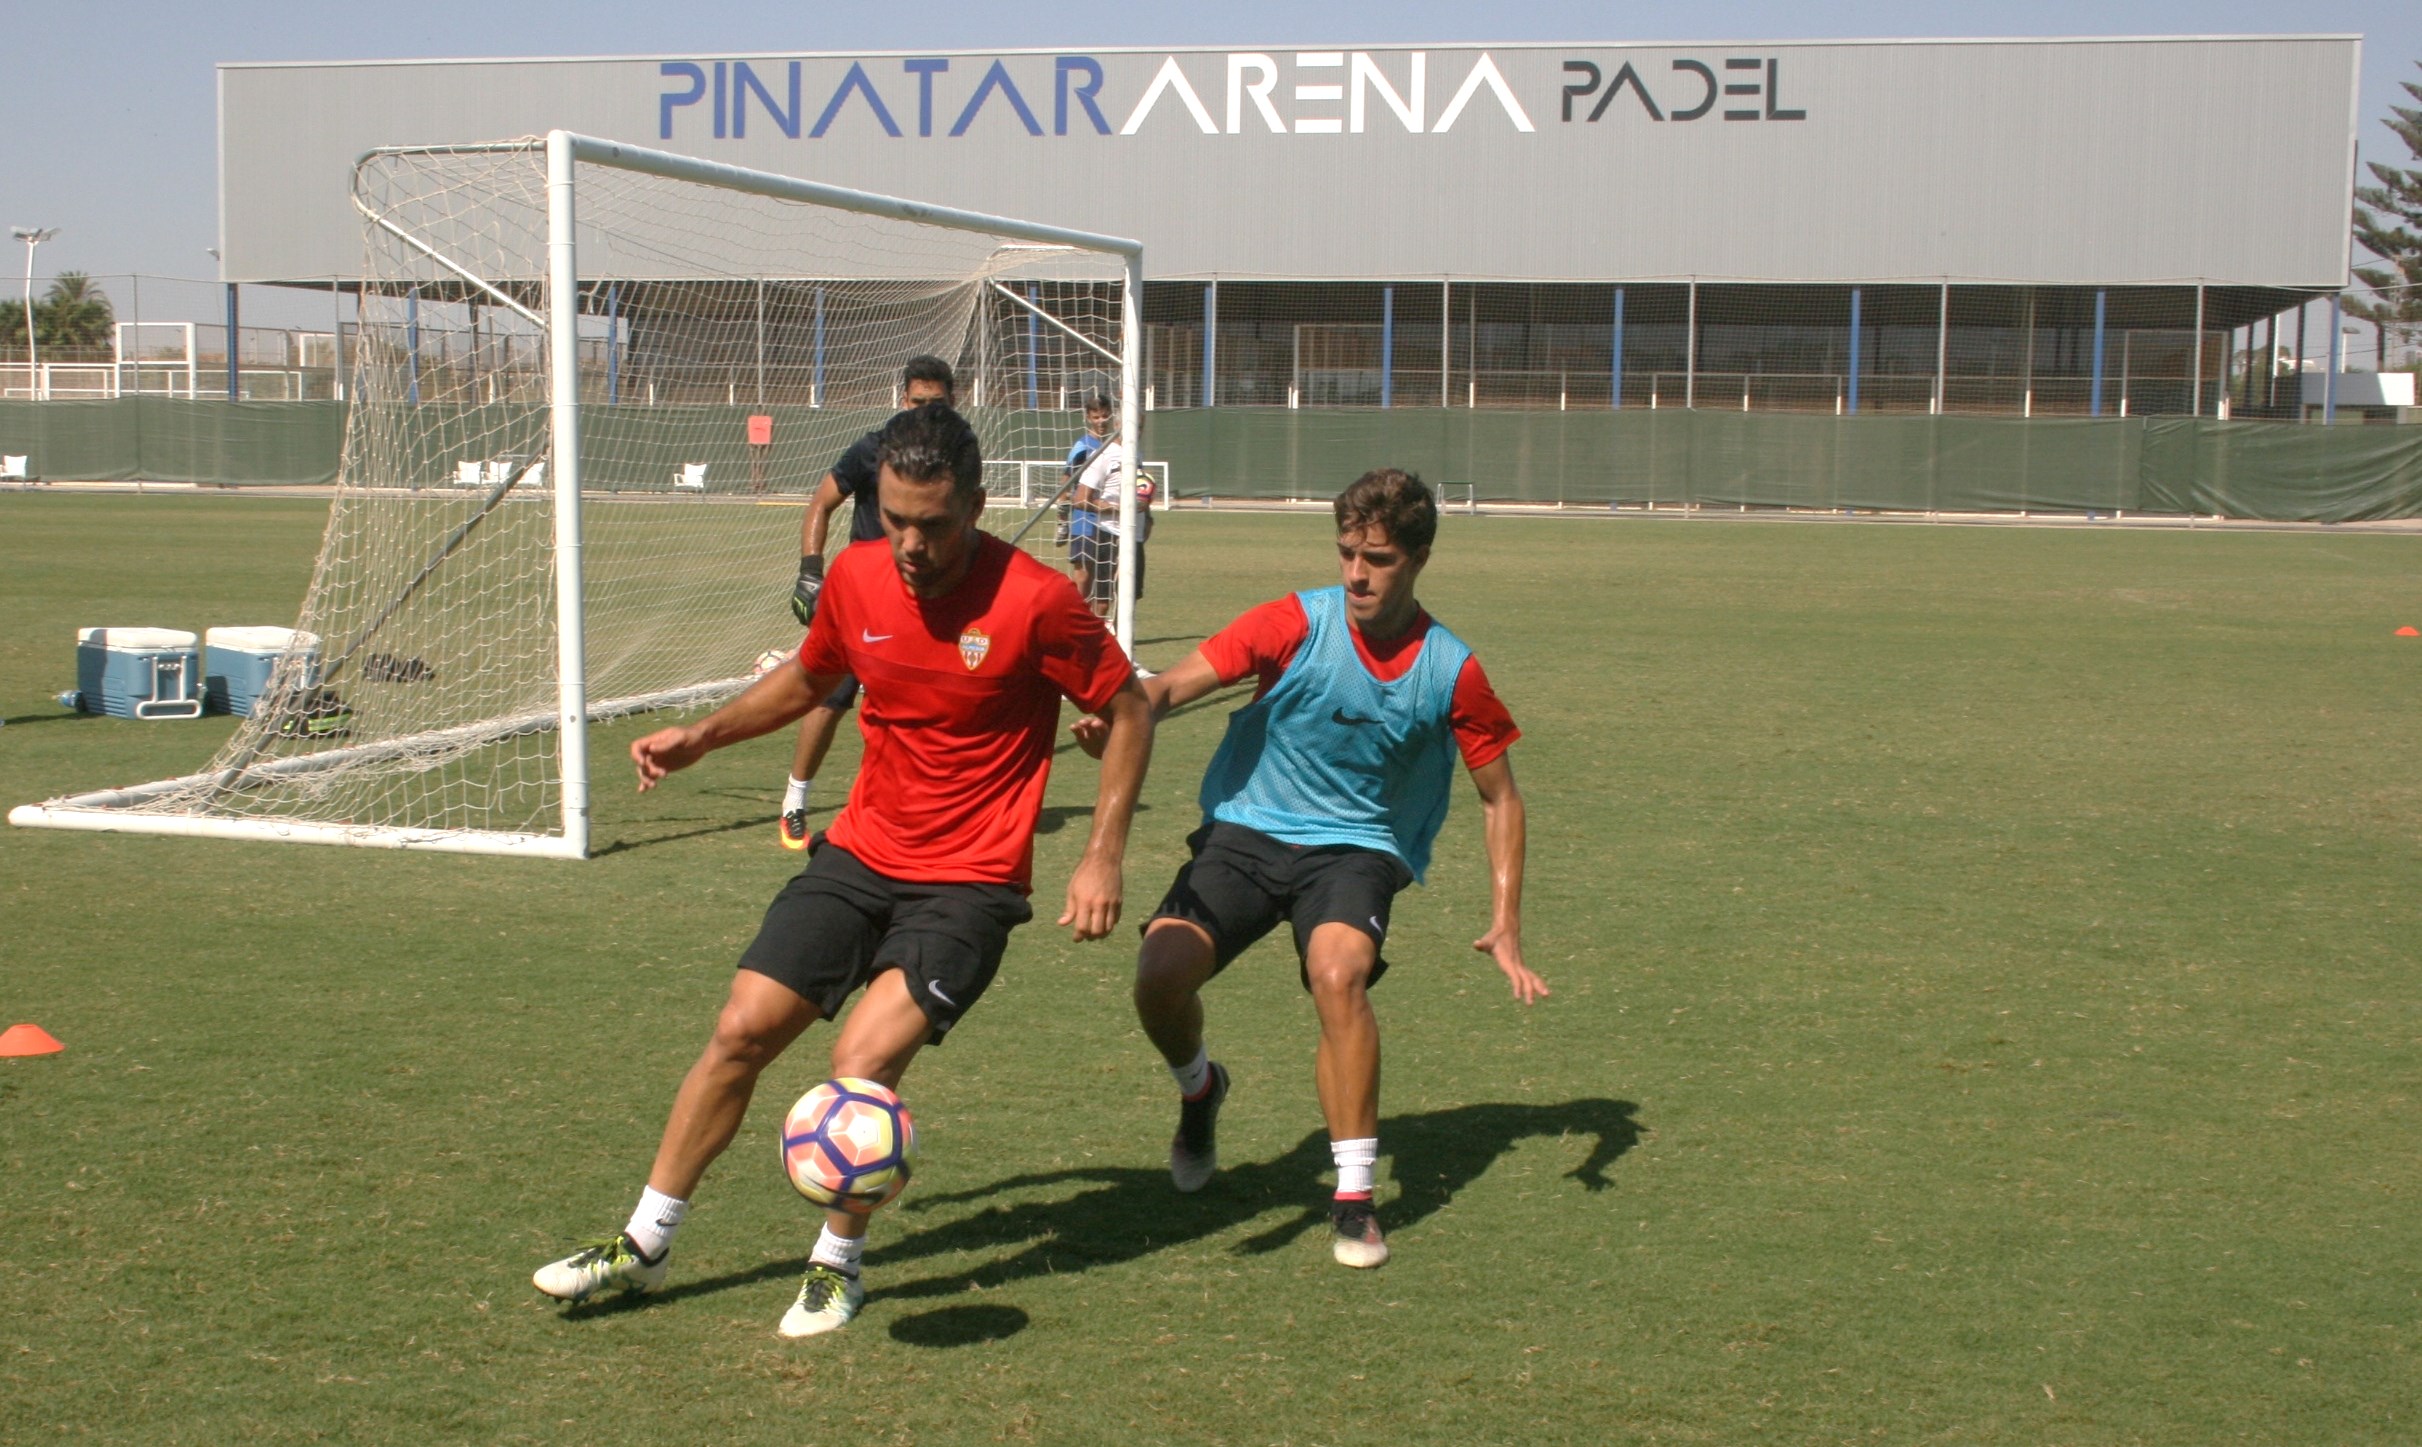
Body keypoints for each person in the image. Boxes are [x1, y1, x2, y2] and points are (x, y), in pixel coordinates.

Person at [537, 402, 1154, 1337]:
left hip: (971, 882)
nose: (910, 543)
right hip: (861, 854)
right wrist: (703, 735)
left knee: (858, 1065)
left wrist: (1103, 852)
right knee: (740, 1028)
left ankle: (839, 1262)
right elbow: (810, 677)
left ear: (978, 506)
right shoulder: (860, 575)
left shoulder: (1037, 600)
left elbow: (1131, 707)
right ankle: (645, 1245)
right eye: (896, 518)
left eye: (934, 524)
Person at [1073, 468, 1543, 1270]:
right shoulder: (1292, 622)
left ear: (1420, 558)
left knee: (1338, 973)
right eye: (1347, 553)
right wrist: (1125, 712)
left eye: (1380, 558)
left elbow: (1500, 798)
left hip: (1358, 847)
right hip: (1248, 829)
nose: (1357, 574)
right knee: (1159, 974)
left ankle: (1354, 1196)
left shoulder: (1452, 668)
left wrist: (1506, 917)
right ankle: (1199, 1089)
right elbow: (1173, 684)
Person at [779, 355, 957, 850]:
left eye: (935, 404)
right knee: (830, 697)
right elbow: (821, 503)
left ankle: (916, 807)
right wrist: (811, 573)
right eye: (917, 402)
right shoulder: (872, 450)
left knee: (926, 703)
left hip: (930, 599)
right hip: (865, 600)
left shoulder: (958, 455)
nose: (924, 411)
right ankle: (795, 800)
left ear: (953, 403)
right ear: (903, 401)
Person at [1068, 401, 1152, 622]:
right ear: (1117, 425)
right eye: (1133, 427)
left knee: (1130, 596)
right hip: (1108, 534)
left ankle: (1122, 648)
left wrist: (1148, 512)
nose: (1137, 432)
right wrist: (1114, 508)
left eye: (1140, 427)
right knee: (1103, 600)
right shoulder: (1103, 455)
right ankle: (1093, 643)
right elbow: (1079, 500)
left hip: (1135, 535)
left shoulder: (1137, 456)